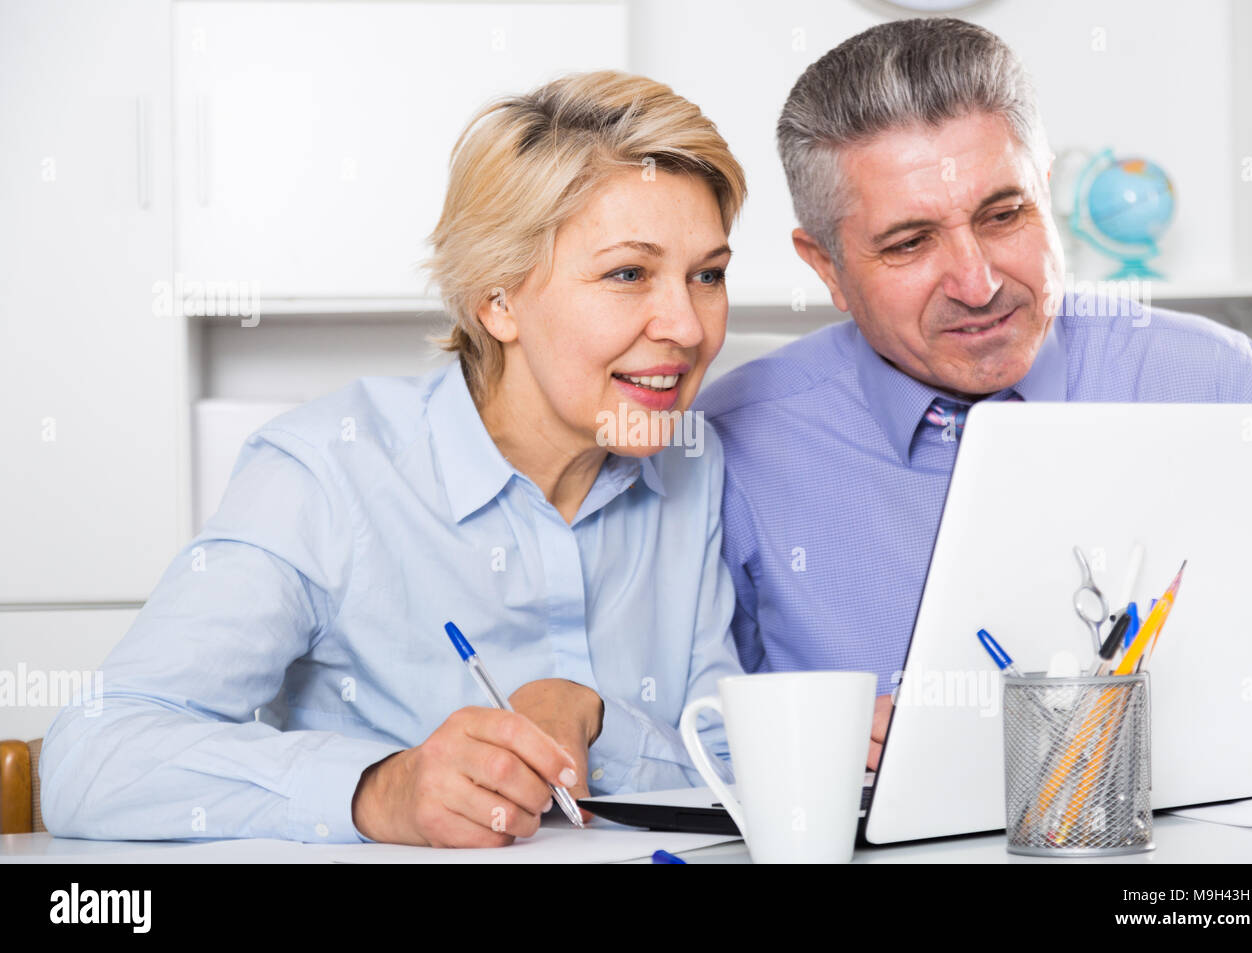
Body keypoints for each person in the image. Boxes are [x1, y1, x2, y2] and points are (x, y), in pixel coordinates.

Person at [40, 70, 748, 847]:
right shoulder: (323, 474)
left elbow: (732, 767)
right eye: (628, 273)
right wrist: (377, 788)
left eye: (707, 274)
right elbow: (90, 757)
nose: (686, 326)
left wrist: (596, 719)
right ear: (497, 300)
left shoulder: (693, 465)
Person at [694, 18, 1252, 770]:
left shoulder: (1214, 383)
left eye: (1004, 214)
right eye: (910, 242)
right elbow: (685, 733)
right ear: (826, 267)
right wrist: (799, 745)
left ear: (1044, 191)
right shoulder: (735, 441)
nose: (977, 284)